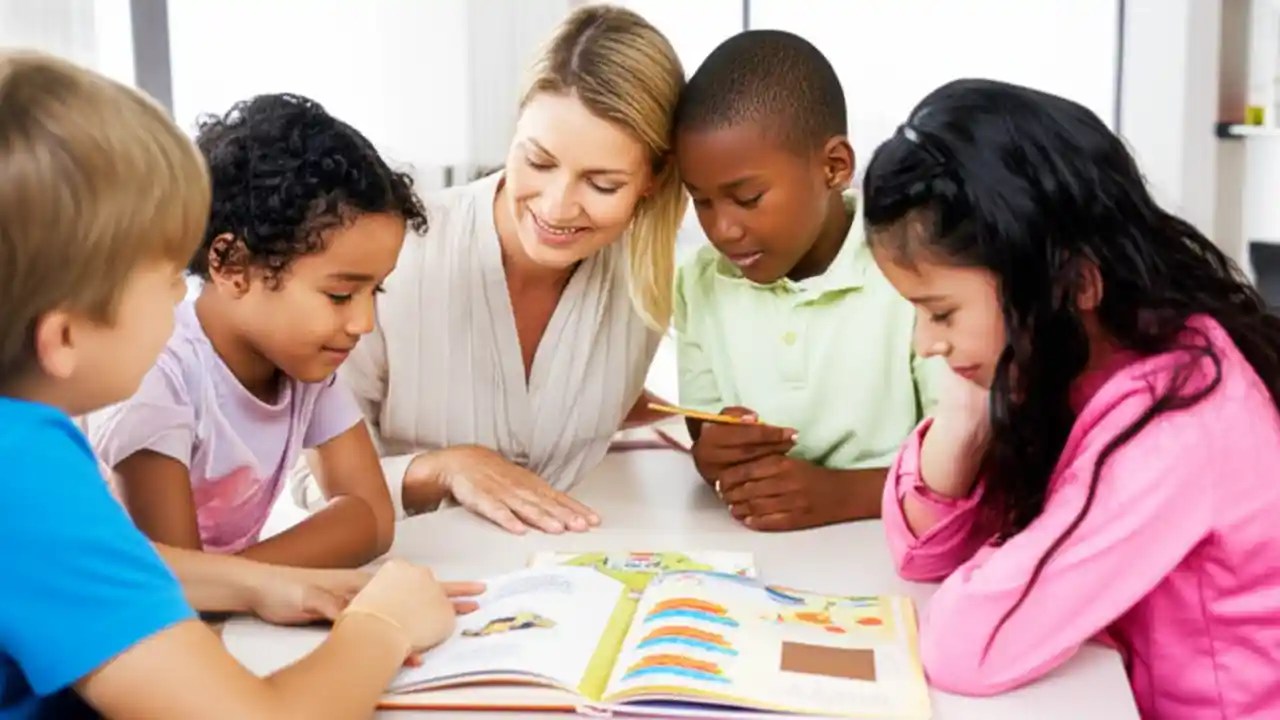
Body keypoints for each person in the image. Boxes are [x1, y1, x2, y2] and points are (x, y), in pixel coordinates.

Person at [0, 51, 480, 720]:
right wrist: (385, 626)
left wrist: (254, 583)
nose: (180, 295)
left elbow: (114, 564)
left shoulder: (23, 444)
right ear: (65, 336)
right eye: (168, 275)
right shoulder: (22, 471)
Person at [866, 78, 1280, 716]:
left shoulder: (1181, 418)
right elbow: (922, 550)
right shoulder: (1074, 370)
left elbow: (968, 643)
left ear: (1072, 284)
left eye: (942, 313)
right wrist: (964, 416)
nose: (925, 343)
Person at [289, 4, 688, 535]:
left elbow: (582, 403)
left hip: (573, 578)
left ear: (653, 180)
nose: (557, 206)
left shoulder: (646, 283)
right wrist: (447, 468)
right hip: (407, 579)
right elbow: (308, 480)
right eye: (538, 162)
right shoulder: (402, 254)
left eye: (602, 184)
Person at [93, 94, 417, 568]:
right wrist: (262, 586)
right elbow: (178, 582)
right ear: (231, 264)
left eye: (376, 292)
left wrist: (249, 582)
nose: (363, 323)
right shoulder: (158, 377)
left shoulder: (305, 365)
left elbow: (371, 517)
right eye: (341, 295)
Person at [671, 30, 938, 532]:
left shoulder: (916, 272)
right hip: (759, 558)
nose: (722, 229)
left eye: (747, 198)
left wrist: (843, 495)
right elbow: (701, 428)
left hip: (891, 553)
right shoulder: (700, 282)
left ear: (833, 167)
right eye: (701, 201)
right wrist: (713, 455)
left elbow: (970, 458)